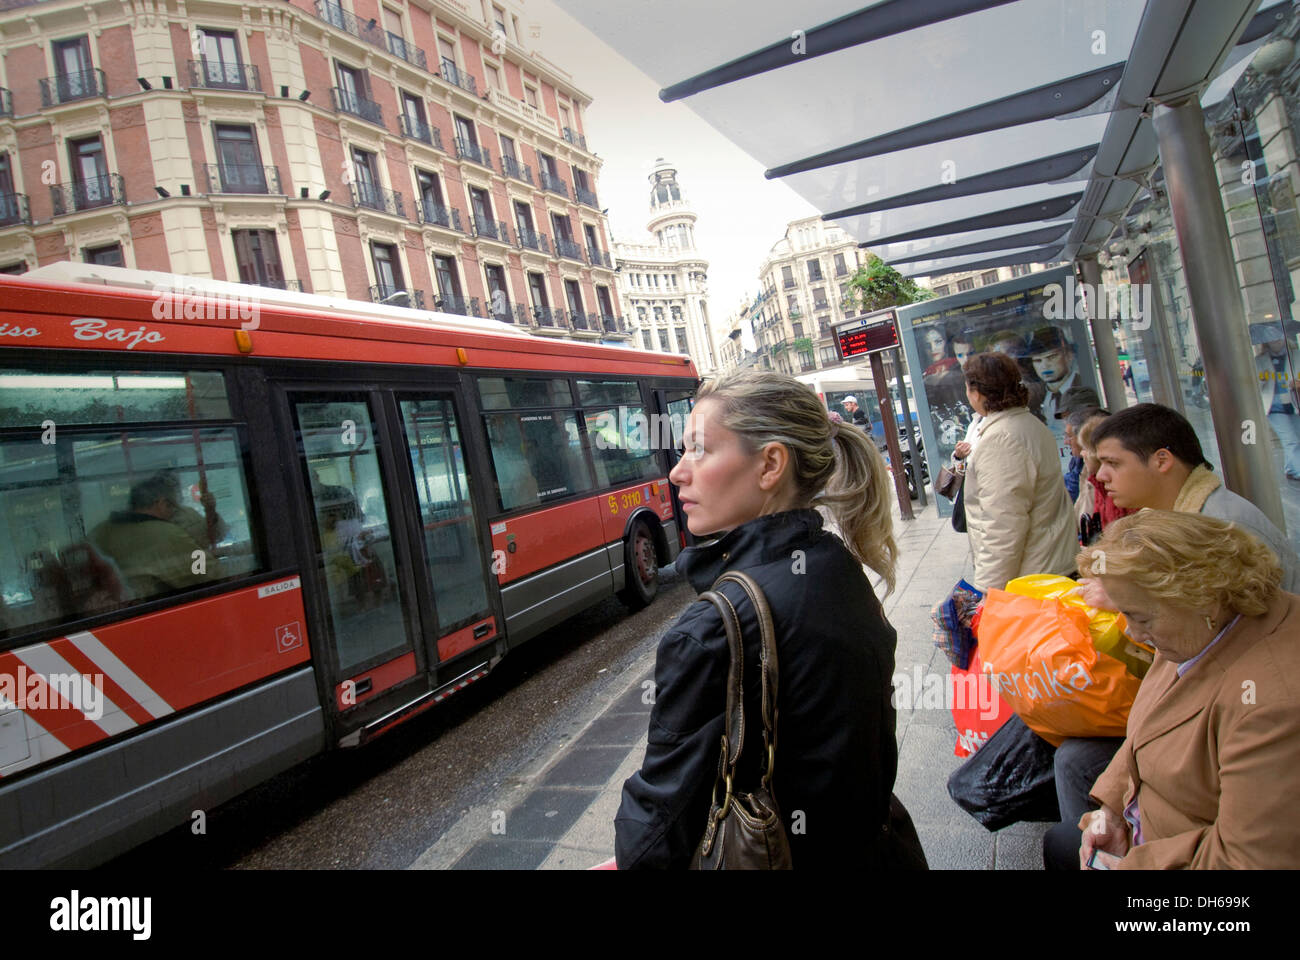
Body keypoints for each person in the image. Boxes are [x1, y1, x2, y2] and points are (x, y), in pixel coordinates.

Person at [615, 371, 924, 869]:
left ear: (770, 465)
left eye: (699, 450)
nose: (677, 473)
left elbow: (658, 822)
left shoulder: (716, 626)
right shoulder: (835, 563)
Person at [1073, 511, 1300, 869]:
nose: (1132, 632)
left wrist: (1129, 866)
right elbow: (1146, 730)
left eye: (1141, 618)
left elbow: (1246, 860)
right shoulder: (1198, 626)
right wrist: (1110, 810)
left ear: (1202, 598)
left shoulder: (1271, 705)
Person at [1090, 403, 1300, 592]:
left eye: (1113, 463)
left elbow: (1247, 626)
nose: (1101, 476)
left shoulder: (1221, 529)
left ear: (1162, 461)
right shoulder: (1176, 518)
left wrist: (1126, 600)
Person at [959, 353, 1078, 593]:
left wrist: (988, 589)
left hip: (1030, 580)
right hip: (1046, 566)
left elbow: (1003, 524)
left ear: (977, 392)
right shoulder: (1027, 424)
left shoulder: (1002, 439)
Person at [90, 472, 209, 599]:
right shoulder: (167, 533)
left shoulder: (98, 532)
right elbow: (205, 573)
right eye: (172, 507)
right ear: (162, 504)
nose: (172, 514)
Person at [1257, 334, 1300, 481]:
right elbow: (1255, 384)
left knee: (1297, 439)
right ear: (1266, 342)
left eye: (1279, 337)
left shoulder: (1296, 355)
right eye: (1272, 338)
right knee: (1291, 440)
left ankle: (1291, 469)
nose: (1276, 341)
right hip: (1274, 407)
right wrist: (1261, 379)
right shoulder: (1260, 360)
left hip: (1294, 404)